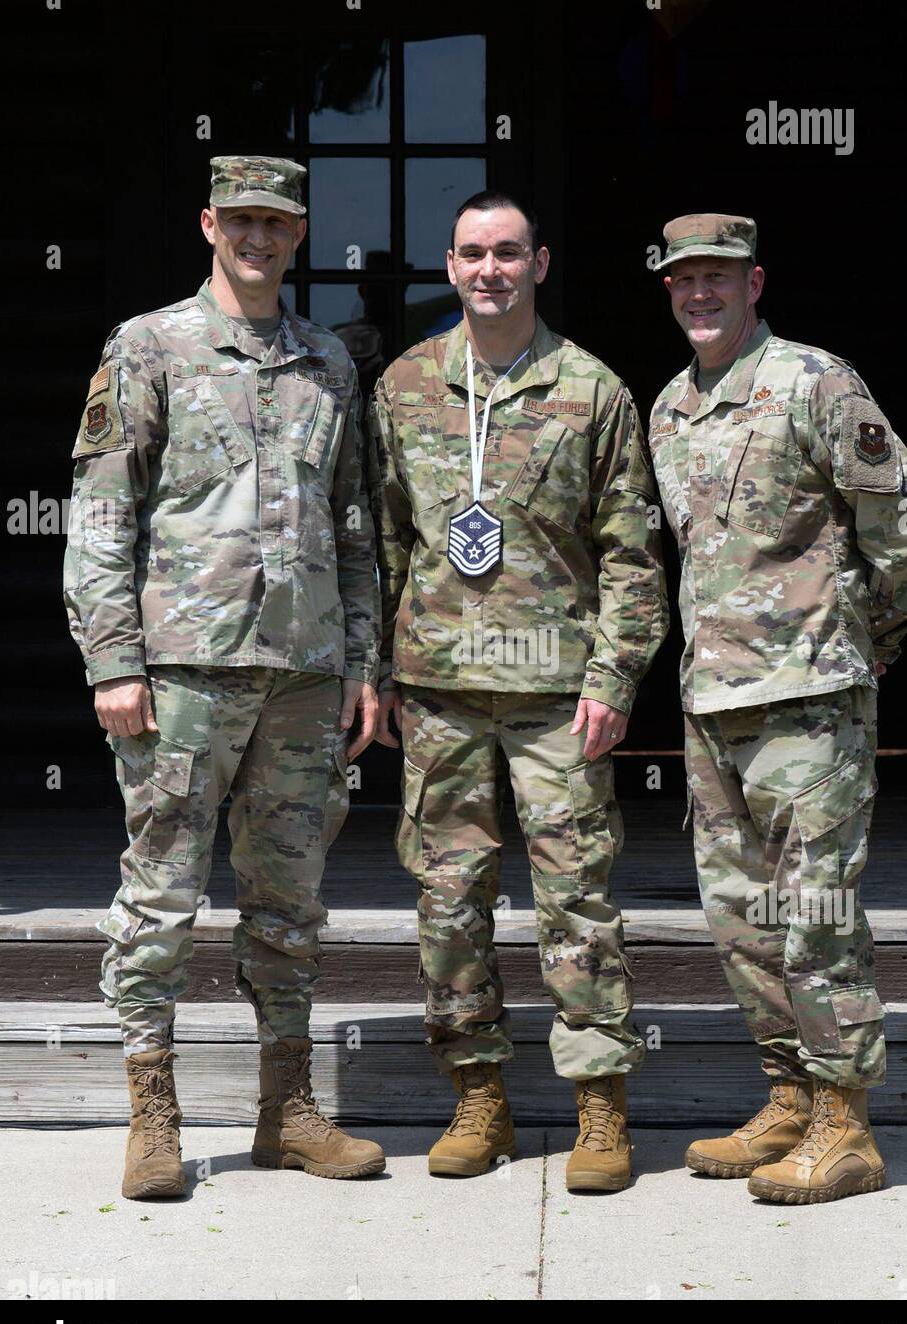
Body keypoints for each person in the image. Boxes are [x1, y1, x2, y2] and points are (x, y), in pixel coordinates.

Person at [63, 155, 385, 1199]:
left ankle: (285, 1109)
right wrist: (113, 659)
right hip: (183, 673)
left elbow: (353, 527)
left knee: (288, 901)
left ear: (297, 237)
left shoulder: (327, 362)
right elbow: (103, 516)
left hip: (300, 671)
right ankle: (150, 1111)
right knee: (159, 895)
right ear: (209, 223)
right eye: (241, 220)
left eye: (278, 224)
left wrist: (360, 658)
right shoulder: (148, 347)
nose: (258, 238)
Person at [368, 191, 668, 1192]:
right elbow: (380, 545)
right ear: (448, 267)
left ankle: (598, 1105)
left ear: (539, 264)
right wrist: (379, 671)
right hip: (440, 690)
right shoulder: (405, 385)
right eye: (471, 254)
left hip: (556, 693)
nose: (489, 269)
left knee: (576, 901)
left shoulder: (592, 391)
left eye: (508, 253)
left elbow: (631, 552)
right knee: (449, 900)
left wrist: (616, 674)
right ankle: (479, 1095)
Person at [648, 213, 907, 1203]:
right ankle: (789, 1095)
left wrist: (870, 636)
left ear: (754, 282)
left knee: (814, 917)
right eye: (683, 277)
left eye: (718, 276)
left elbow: (899, 510)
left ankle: (845, 1122)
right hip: (713, 702)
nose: (700, 292)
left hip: (810, 697)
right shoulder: (668, 410)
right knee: (742, 921)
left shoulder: (814, 381)